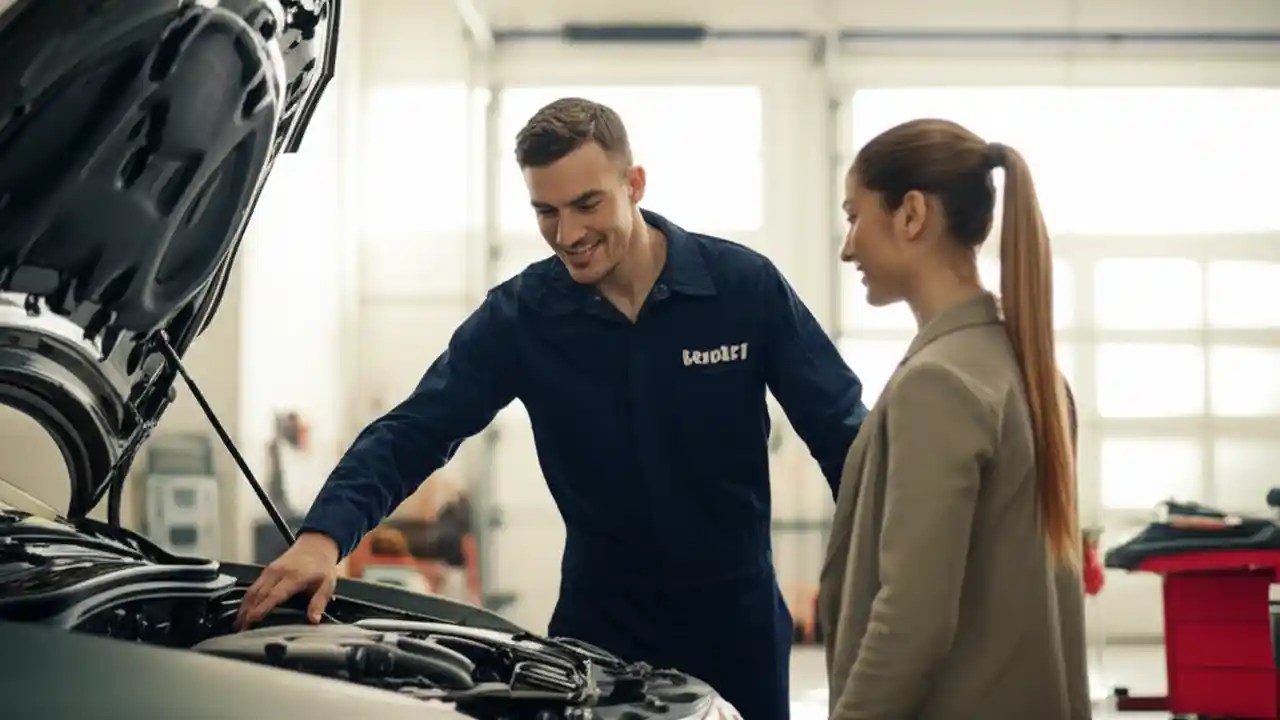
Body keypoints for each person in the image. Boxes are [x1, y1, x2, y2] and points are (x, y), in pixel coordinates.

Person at [236, 96, 869, 719]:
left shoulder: (743, 289)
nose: (568, 235)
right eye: (546, 211)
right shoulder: (522, 318)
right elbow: (415, 430)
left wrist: (893, 566)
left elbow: (842, 431)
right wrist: (323, 538)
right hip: (599, 636)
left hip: (738, 628)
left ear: (634, 183)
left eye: (587, 204)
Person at [818, 118, 1090, 720]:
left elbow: (910, 618)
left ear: (911, 214)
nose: (848, 246)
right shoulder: (1035, 375)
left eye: (854, 215)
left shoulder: (937, 384)